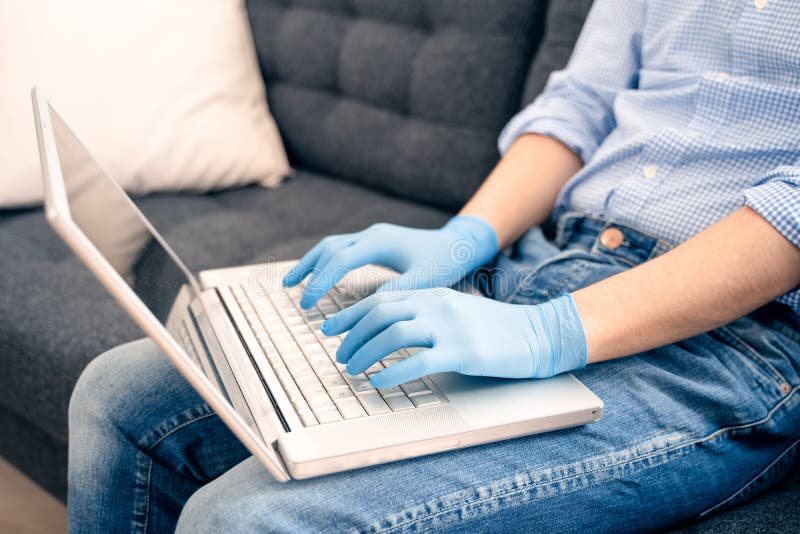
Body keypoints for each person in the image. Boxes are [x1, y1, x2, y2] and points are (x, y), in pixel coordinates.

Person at [68, 1, 800, 531]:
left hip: (734, 336)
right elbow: (580, 105)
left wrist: (549, 332)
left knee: (246, 521)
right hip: (557, 254)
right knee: (119, 394)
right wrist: (464, 237)